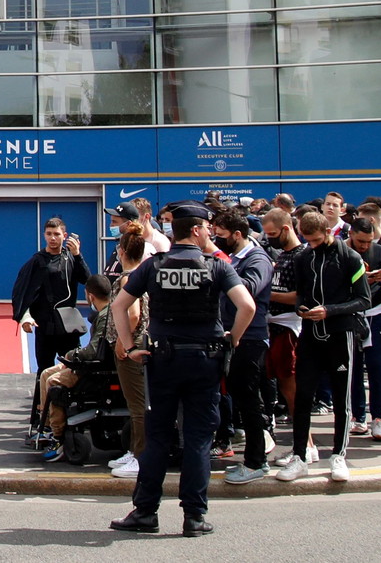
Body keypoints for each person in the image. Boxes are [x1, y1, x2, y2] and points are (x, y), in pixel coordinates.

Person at [108, 201, 254, 539]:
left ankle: (145, 512)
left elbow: (119, 305)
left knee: (158, 438)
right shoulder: (216, 266)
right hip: (205, 360)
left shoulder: (155, 265)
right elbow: (246, 305)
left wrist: (130, 348)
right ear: (197, 230)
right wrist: (232, 338)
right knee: (199, 439)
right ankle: (194, 517)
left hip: (162, 360)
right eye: (206, 229)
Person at [273, 210, 368, 484]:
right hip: (311, 334)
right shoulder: (304, 257)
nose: (311, 244)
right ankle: (300, 456)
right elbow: (301, 291)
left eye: (315, 239)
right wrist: (303, 307)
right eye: (307, 240)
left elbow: (363, 299)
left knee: (341, 398)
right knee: (303, 396)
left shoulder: (350, 257)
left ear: (328, 232)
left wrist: (330, 310)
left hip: (340, 333)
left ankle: (338, 455)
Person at [212, 209, 275, 485]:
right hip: (232, 336)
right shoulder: (235, 258)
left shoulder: (258, 259)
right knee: (239, 399)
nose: (218, 240)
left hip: (249, 338)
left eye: (222, 236)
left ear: (238, 234)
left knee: (249, 400)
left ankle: (256, 461)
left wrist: (222, 268)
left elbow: (247, 291)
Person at [12, 216, 90, 439]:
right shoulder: (37, 261)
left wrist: (78, 255)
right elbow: (21, 290)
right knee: (44, 372)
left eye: (57, 234)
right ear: (44, 235)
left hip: (68, 324)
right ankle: (41, 418)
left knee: (71, 370)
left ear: (64, 236)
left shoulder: (71, 258)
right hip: (46, 325)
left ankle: (72, 413)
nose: (53, 238)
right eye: (49, 234)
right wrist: (25, 317)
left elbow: (88, 279)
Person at [37, 274, 114, 462]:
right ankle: (45, 425)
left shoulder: (105, 317)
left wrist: (72, 356)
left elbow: (94, 350)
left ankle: (58, 435)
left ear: (90, 296)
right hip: (92, 363)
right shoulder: (105, 313)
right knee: (46, 373)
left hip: (95, 370)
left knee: (54, 382)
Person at [346, 214, 381, 443]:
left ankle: (378, 418)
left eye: (369, 241)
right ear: (351, 236)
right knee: (353, 368)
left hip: (376, 313)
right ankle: (358, 416)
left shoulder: (380, 252)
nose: (365, 246)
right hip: (351, 314)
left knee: (376, 366)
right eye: (361, 242)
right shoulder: (342, 252)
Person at [261, 207, 307, 447]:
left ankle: (305, 445)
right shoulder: (283, 255)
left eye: (272, 233)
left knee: (292, 388)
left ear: (286, 228)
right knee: (285, 387)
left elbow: (303, 296)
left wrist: (271, 296)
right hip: (277, 327)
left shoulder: (302, 255)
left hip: (290, 327)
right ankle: (303, 444)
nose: (269, 238)